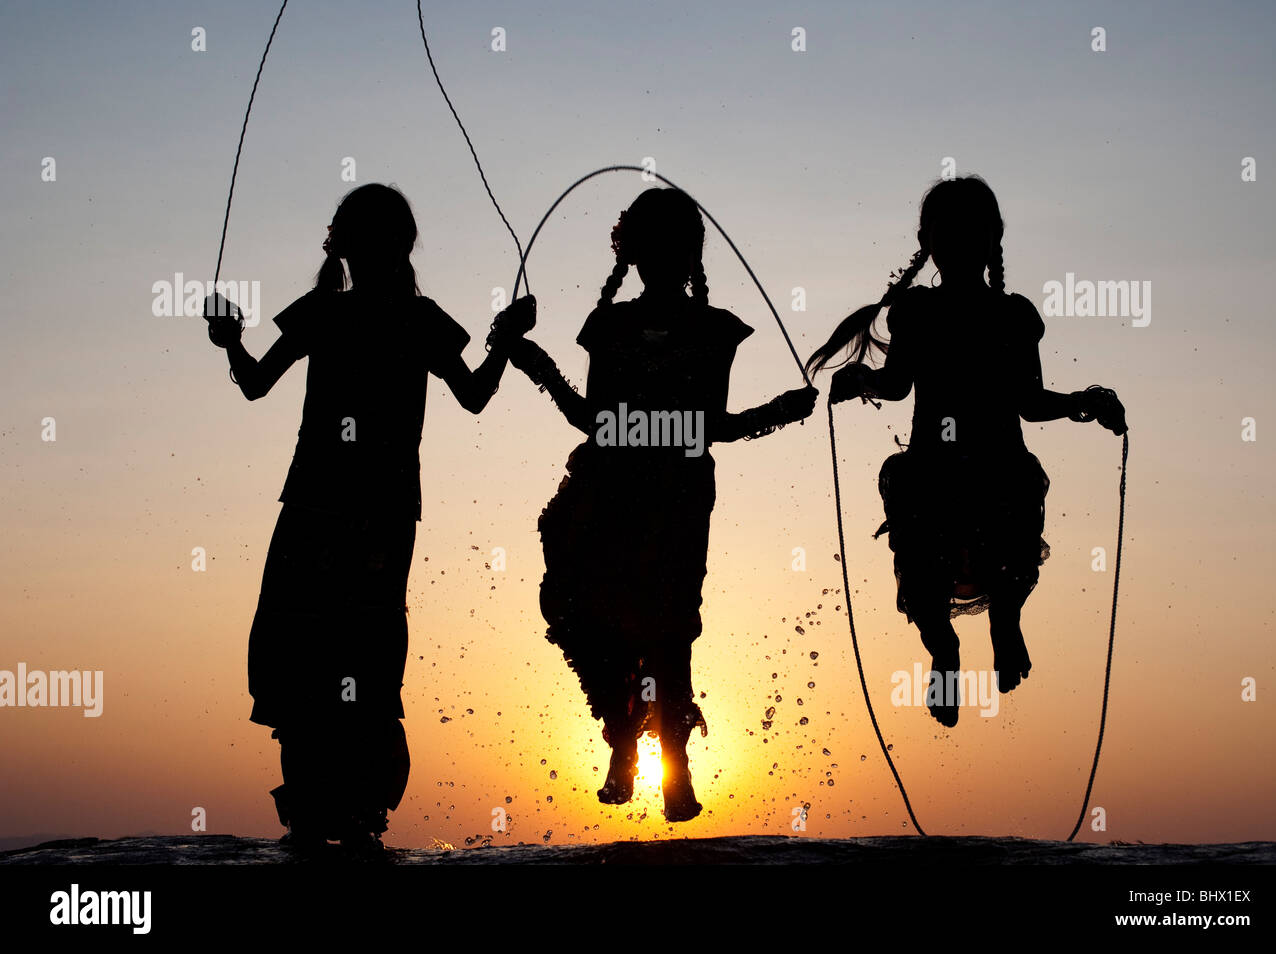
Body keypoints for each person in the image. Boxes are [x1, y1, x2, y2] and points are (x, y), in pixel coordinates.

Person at [204, 183, 536, 851]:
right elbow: (474, 395)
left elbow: (254, 383)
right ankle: (363, 817)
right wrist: (505, 341)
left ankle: (314, 819)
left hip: (313, 509)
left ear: (342, 245)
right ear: (402, 245)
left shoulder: (323, 314)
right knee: (367, 657)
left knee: (299, 655)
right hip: (382, 515)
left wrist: (230, 342)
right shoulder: (419, 319)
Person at [508, 187, 817, 820]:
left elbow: (691, 424)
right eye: (654, 246)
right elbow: (607, 420)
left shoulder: (702, 331)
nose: (662, 258)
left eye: (672, 247)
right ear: (637, 252)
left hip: (658, 501)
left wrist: (777, 414)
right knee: (620, 624)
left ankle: (663, 767)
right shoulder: (630, 327)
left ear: (686, 254)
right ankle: (631, 748)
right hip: (626, 495)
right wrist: (534, 360)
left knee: (664, 629)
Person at [808, 176, 1126, 727]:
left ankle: (1005, 623)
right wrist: (859, 378)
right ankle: (945, 653)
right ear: (929, 242)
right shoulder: (918, 311)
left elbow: (1030, 401)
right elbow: (898, 384)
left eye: (968, 232)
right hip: (943, 469)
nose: (956, 243)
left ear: (990, 239)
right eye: (945, 234)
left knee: (995, 540)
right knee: (925, 570)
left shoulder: (1013, 316)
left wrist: (1084, 401)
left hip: (987, 467)